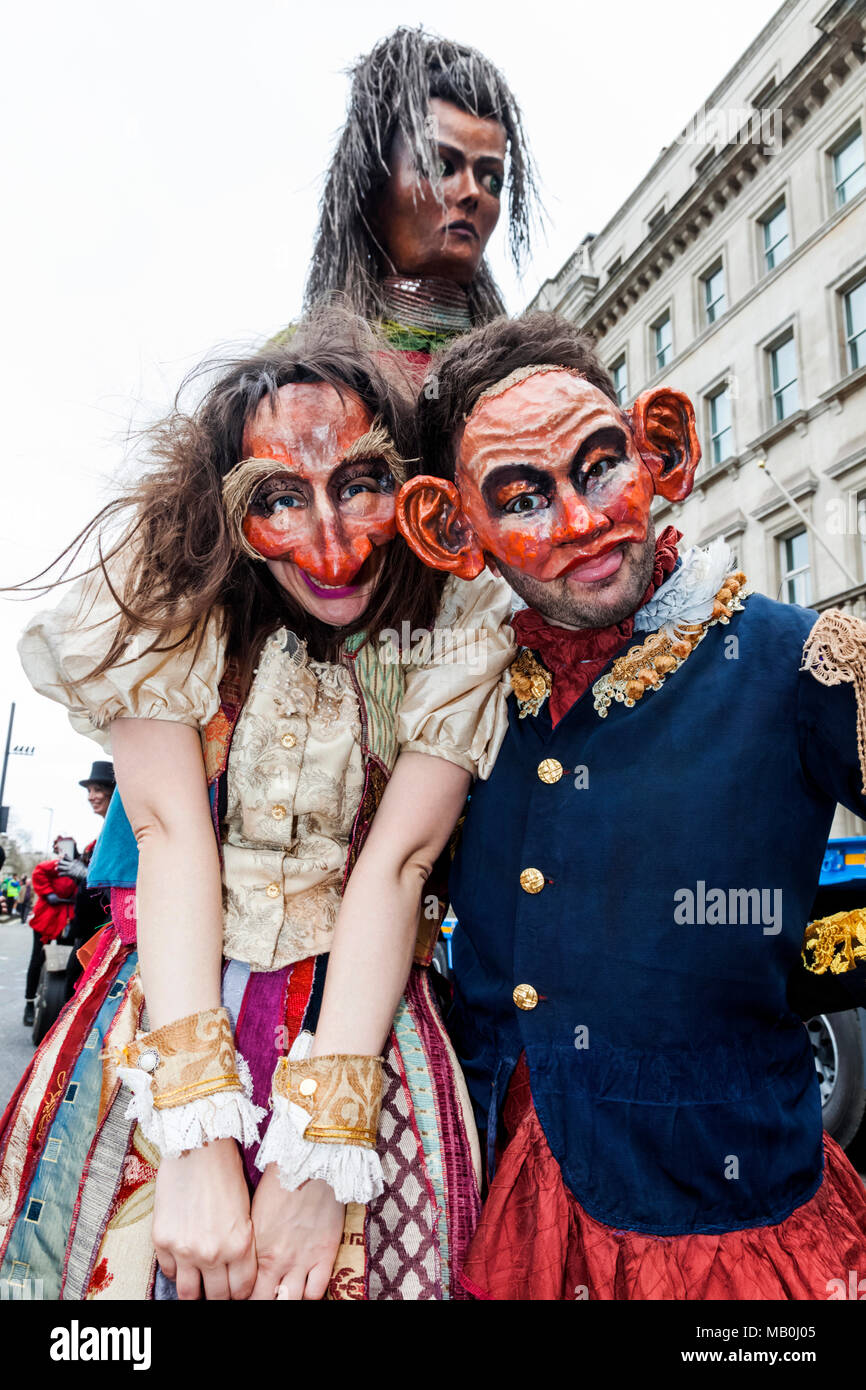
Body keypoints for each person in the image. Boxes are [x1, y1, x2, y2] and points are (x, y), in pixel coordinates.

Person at [0, 310, 514, 1301]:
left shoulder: (457, 621)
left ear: (404, 482)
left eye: (358, 484)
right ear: (232, 511)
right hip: (169, 1007)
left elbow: (398, 866)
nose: (328, 544)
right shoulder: (173, 594)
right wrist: (192, 1136)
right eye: (281, 496)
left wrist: (324, 1146)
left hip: (361, 1021)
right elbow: (163, 830)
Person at [394, 310, 866, 1300]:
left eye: (599, 466)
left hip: (725, 1246)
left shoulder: (797, 662)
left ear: (661, 452)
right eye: (520, 495)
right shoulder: (462, 704)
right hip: (494, 1226)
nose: (577, 522)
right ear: (455, 531)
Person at [55, 760, 114, 997]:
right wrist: (77, 860)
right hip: (87, 930)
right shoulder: (104, 831)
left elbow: (114, 879)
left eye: (98, 789)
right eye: (89, 791)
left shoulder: (122, 830)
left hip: (101, 931)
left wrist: (83, 872)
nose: (91, 797)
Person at [23, 841, 77, 1027]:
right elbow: (39, 871)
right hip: (47, 915)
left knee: (69, 962)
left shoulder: (79, 865)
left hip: (67, 917)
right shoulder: (55, 865)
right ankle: (29, 1004)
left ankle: (61, 1006)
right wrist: (47, 893)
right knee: (36, 960)